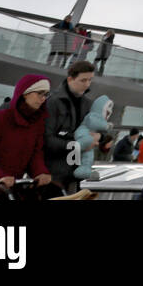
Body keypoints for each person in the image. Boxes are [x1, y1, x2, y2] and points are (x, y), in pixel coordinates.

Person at [44, 60, 94, 195]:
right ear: (70, 79)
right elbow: (46, 139)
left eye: (90, 80)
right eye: (83, 80)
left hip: (75, 174)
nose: (87, 84)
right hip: (54, 174)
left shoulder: (88, 104)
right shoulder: (53, 102)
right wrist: (76, 145)